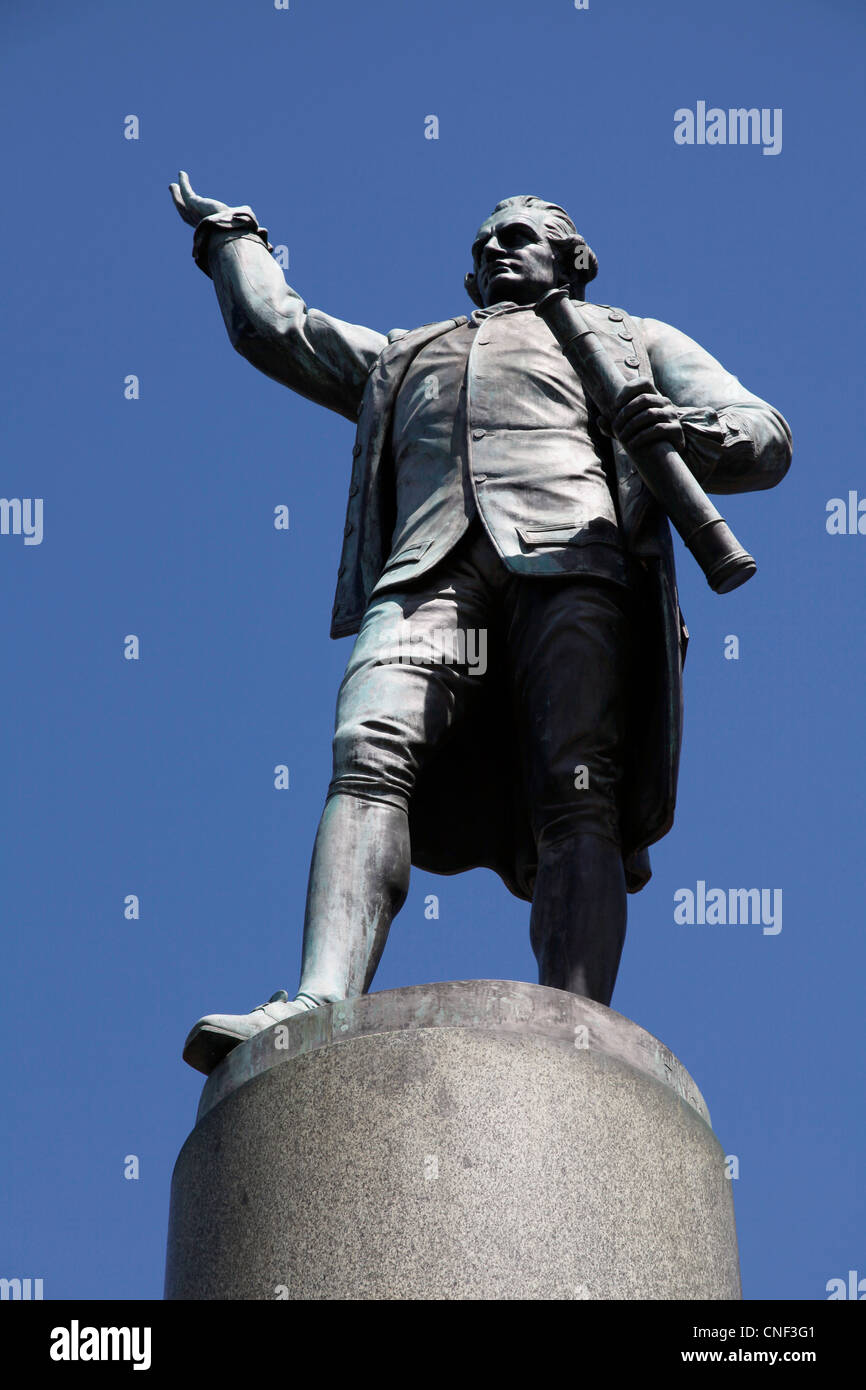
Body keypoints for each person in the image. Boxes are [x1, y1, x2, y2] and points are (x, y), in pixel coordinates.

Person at [170, 175, 792, 1074]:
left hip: (576, 562)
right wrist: (231, 236)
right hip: (428, 572)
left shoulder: (631, 338)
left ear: (572, 260)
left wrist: (689, 431)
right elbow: (280, 329)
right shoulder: (406, 355)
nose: (496, 248)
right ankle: (319, 998)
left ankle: (581, 1028)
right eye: (485, 242)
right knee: (366, 749)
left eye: (519, 235)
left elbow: (763, 433)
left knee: (580, 790)